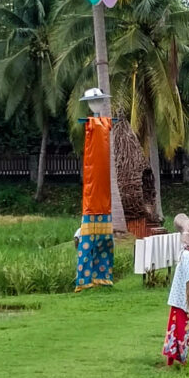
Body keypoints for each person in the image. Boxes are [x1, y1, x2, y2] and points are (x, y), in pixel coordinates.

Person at [75, 87, 115, 290]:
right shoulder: (92, 126)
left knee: (105, 243)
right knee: (89, 242)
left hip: (104, 201)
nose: (97, 105)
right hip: (92, 202)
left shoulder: (104, 125)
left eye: (100, 101)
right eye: (95, 101)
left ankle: (103, 277)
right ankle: (85, 280)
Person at [162, 212, 189, 366]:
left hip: (175, 298)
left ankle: (171, 358)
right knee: (182, 329)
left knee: (173, 327)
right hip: (182, 299)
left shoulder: (183, 252)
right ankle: (182, 358)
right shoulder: (187, 255)